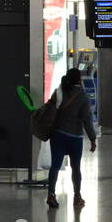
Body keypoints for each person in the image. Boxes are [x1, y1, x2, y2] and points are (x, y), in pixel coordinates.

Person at [46, 68, 97, 209]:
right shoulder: (82, 96)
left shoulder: (59, 92)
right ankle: (77, 197)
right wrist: (92, 139)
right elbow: (87, 119)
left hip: (57, 135)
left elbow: (50, 108)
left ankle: (51, 194)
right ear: (79, 80)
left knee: (55, 166)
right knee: (75, 168)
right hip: (74, 137)